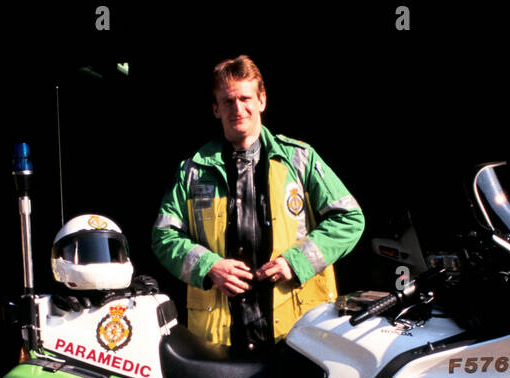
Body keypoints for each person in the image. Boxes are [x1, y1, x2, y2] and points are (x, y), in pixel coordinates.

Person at [150, 55, 364, 350]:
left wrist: (296, 261)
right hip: (221, 338)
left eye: (245, 98)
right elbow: (163, 236)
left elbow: (350, 218)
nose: (238, 108)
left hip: (299, 331)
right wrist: (209, 266)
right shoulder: (193, 171)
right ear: (215, 108)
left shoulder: (299, 158)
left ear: (262, 100)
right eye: (227, 101)